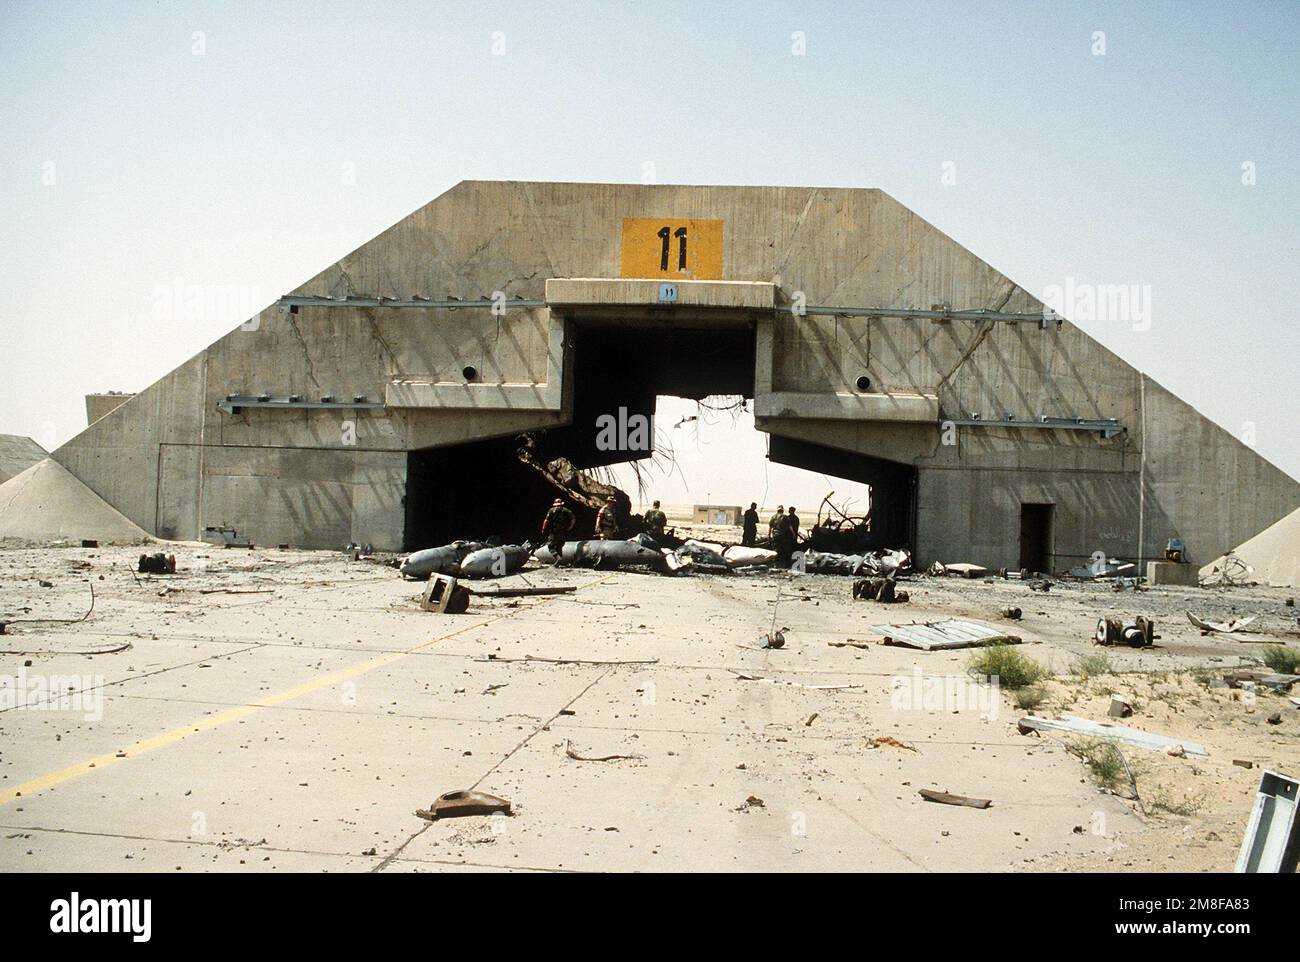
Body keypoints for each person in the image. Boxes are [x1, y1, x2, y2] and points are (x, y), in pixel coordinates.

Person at [540, 498, 574, 563]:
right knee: (559, 546)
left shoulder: (551, 510)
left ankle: (557, 558)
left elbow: (546, 520)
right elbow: (573, 519)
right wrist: (570, 526)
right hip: (563, 530)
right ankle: (559, 561)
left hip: (553, 531)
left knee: (550, 546)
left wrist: (543, 528)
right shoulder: (566, 510)